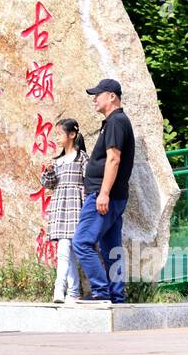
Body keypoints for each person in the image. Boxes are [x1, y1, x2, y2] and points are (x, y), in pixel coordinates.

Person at [70, 79, 135, 303]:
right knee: (111, 249)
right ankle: (117, 296)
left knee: (81, 242)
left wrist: (103, 193)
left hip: (104, 195)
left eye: (98, 94)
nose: (94, 98)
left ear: (112, 97)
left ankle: (101, 291)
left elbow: (114, 158)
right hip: (115, 196)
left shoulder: (116, 122)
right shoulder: (115, 122)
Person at [39, 118, 87, 304]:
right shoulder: (57, 161)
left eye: (59, 134)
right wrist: (49, 170)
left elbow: (89, 181)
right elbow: (47, 184)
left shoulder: (81, 158)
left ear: (72, 135)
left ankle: (62, 289)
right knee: (66, 250)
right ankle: (72, 291)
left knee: (65, 250)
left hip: (75, 206)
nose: (56, 138)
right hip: (60, 206)